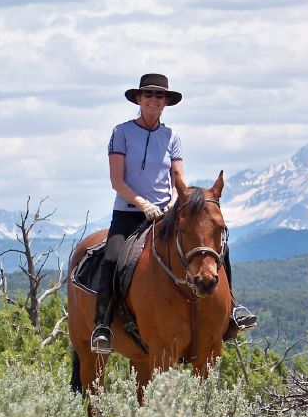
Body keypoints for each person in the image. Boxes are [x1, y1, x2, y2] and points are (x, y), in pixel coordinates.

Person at [90, 73, 257, 355]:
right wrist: (143, 204)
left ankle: (231, 311)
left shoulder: (172, 137)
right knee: (112, 257)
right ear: (139, 99)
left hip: (166, 212)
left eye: (159, 96)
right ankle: (102, 326)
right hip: (129, 213)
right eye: (148, 95)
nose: (154, 100)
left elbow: (178, 176)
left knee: (216, 248)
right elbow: (116, 180)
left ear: (166, 101)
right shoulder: (121, 133)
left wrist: (173, 205)